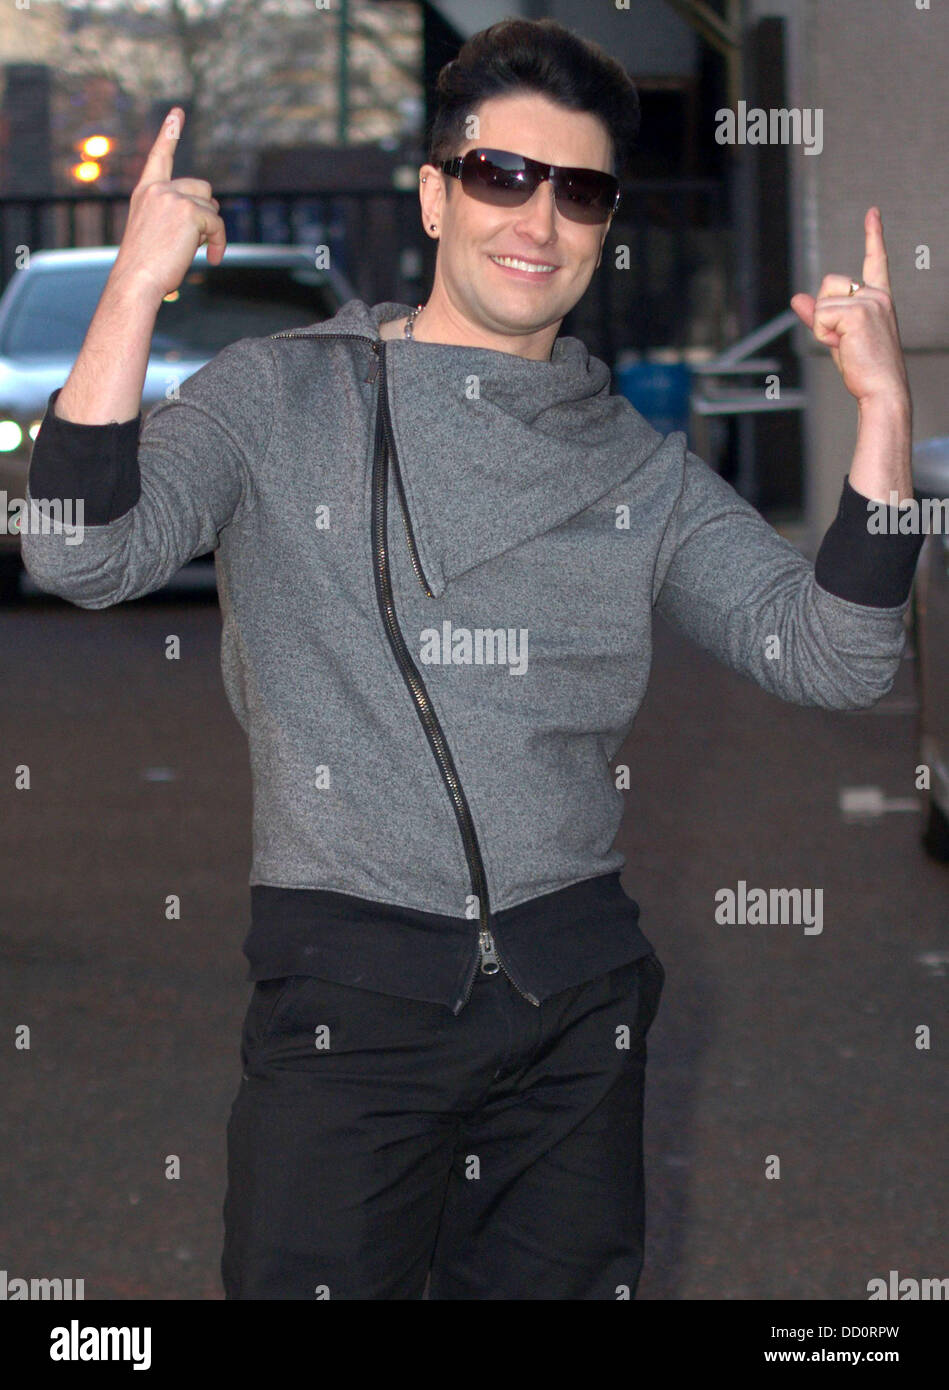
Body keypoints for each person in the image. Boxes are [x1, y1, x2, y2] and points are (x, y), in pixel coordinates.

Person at [22, 19, 924, 1300]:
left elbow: (831, 653)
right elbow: (79, 553)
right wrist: (133, 285)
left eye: (580, 190)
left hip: (574, 1007)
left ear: (605, 226)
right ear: (438, 194)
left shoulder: (635, 462)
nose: (537, 219)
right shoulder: (282, 394)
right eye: (502, 174)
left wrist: (884, 412)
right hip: (350, 999)